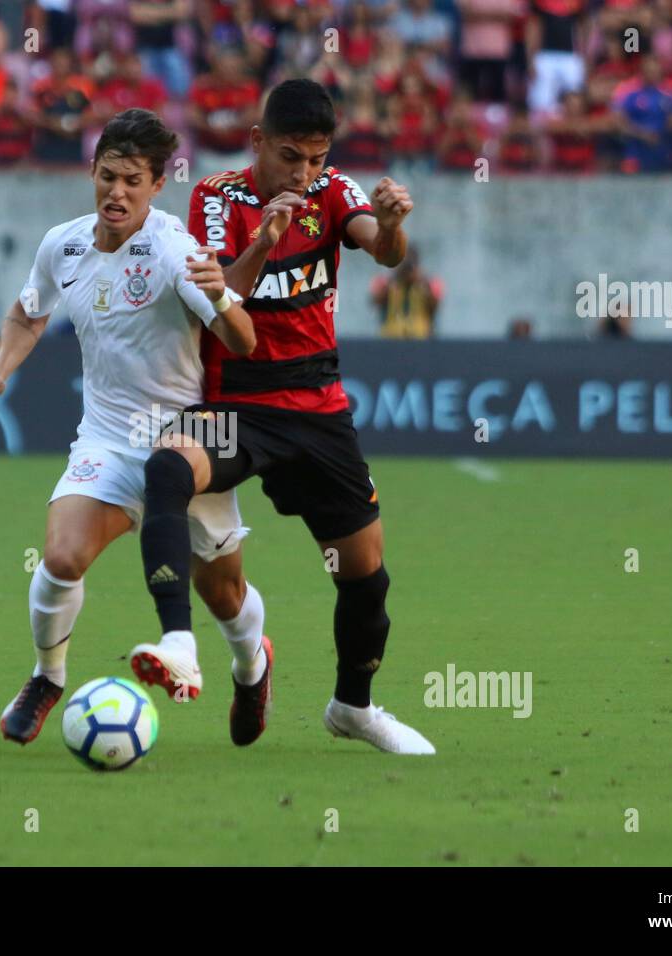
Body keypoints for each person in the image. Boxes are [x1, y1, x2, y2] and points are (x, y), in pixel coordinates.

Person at [132, 79, 436, 755]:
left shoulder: (334, 192)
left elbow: (383, 249)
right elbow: (221, 295)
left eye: (317, 157)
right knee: (167, 468)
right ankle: (179, 642)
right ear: (258, 143)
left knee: (364, 571)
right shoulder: (217, 196)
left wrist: (389, 224)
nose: (304, 173)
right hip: (237, 399)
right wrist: (266, 237)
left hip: (318, 406)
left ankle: (352, 708)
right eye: (291, 156)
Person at [0, 109, 268, 747]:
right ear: (92, 172)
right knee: (62, 557)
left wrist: (224, 298)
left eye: (132, 182)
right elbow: (28, 312)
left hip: (184, 443)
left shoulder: (176, 250)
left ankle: (252, 668)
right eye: (108, 176)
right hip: (106, 439)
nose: (116, 192)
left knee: (224, 593)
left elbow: (244, 340)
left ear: (155, 188)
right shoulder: (62, 244)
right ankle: (47, 676)